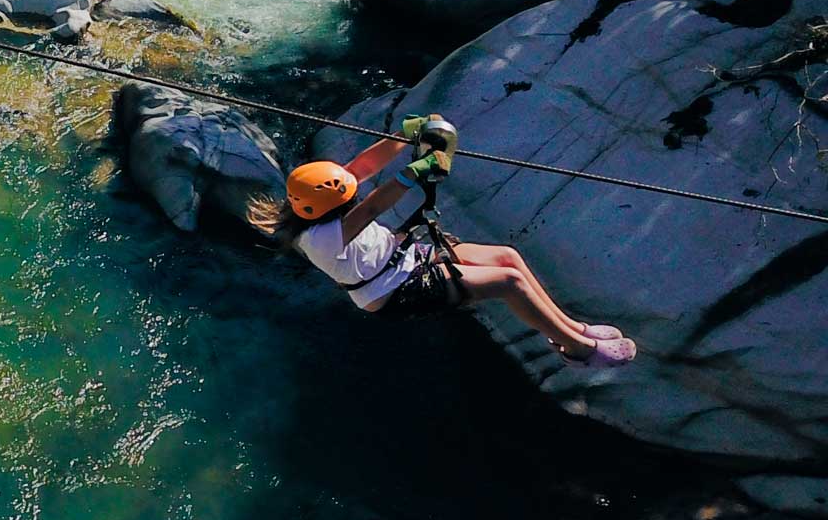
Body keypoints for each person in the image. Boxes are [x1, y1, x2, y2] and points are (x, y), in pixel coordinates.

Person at [247, 120, 637, 367]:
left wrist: (404, 135)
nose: (351, 192)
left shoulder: (313, 205)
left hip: (402, 260)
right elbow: (372, 206)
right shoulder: (318, 238)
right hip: (395, 290)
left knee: (507, 256)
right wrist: (414, 172)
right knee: (508, 282)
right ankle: (578, 350)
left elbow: (360, 169)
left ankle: (573, 328)